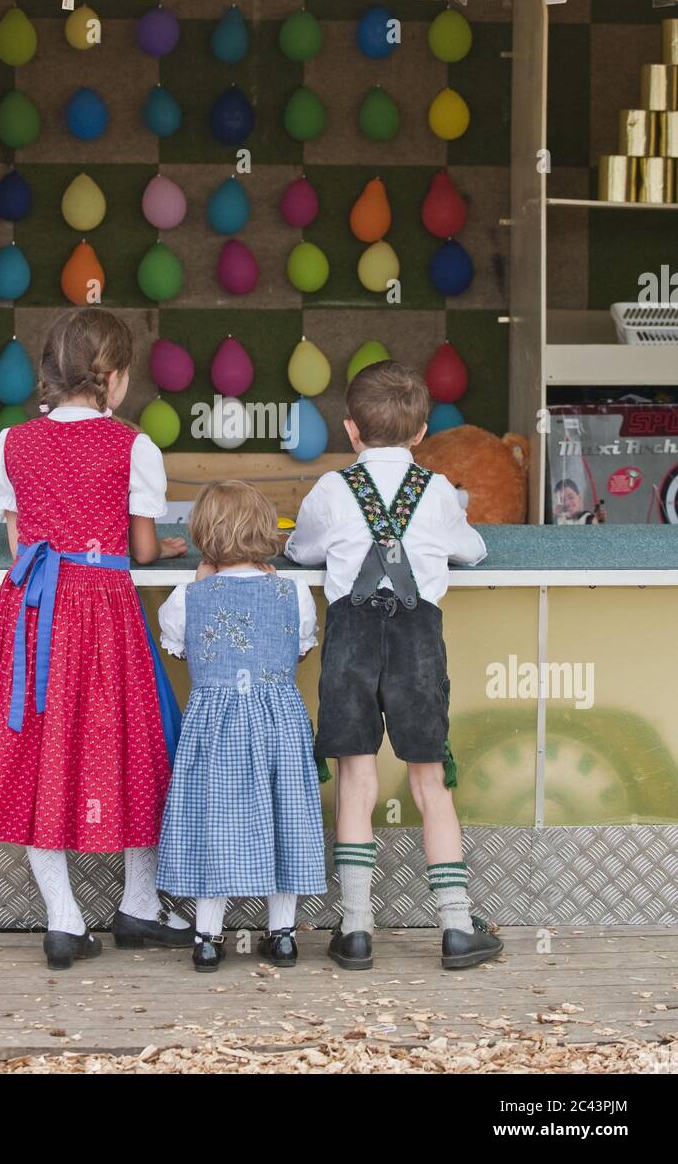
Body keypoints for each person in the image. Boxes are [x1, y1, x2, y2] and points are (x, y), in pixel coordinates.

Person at [0, 308, 192, 969]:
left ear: (51, 374)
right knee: (138, 748)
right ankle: (140, 904)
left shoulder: (10, 443)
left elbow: (19, 544)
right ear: (112, 378)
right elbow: (140, 549)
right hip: (105, 614)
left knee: (36, 756)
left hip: (31, 615)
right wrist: (161, 550)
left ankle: (64, 919)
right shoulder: (134, 447)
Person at [284, 361, 503, 972]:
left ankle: (355, 930)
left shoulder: (330, 489)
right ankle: (457, 928)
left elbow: (300, 549)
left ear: (351, 431)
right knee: (430, 783)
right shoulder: (436, 491)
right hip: (418, 645)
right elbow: (474, 549)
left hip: (350, 642)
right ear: (421, 432)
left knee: (356, 781)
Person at [156, 481, 327, 973]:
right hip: (279, 721)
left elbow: (181, 647)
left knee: (217, 819)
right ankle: (284, 935)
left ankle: (207, 937)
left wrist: (203, 580)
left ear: (202, 534)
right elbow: (299, 647)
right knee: (284, 814)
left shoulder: (188, 597)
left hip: (215, 725)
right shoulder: (293, 592)